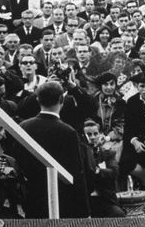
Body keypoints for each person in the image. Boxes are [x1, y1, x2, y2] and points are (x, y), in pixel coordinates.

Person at [12, 81, 90, 218]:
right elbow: (77, 172)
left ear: (38, 100)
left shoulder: (23, 127)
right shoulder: (68, 132)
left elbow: (16, 162)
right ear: (61, 99)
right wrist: (84, 210)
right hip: (62, 200)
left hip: (32, 196)